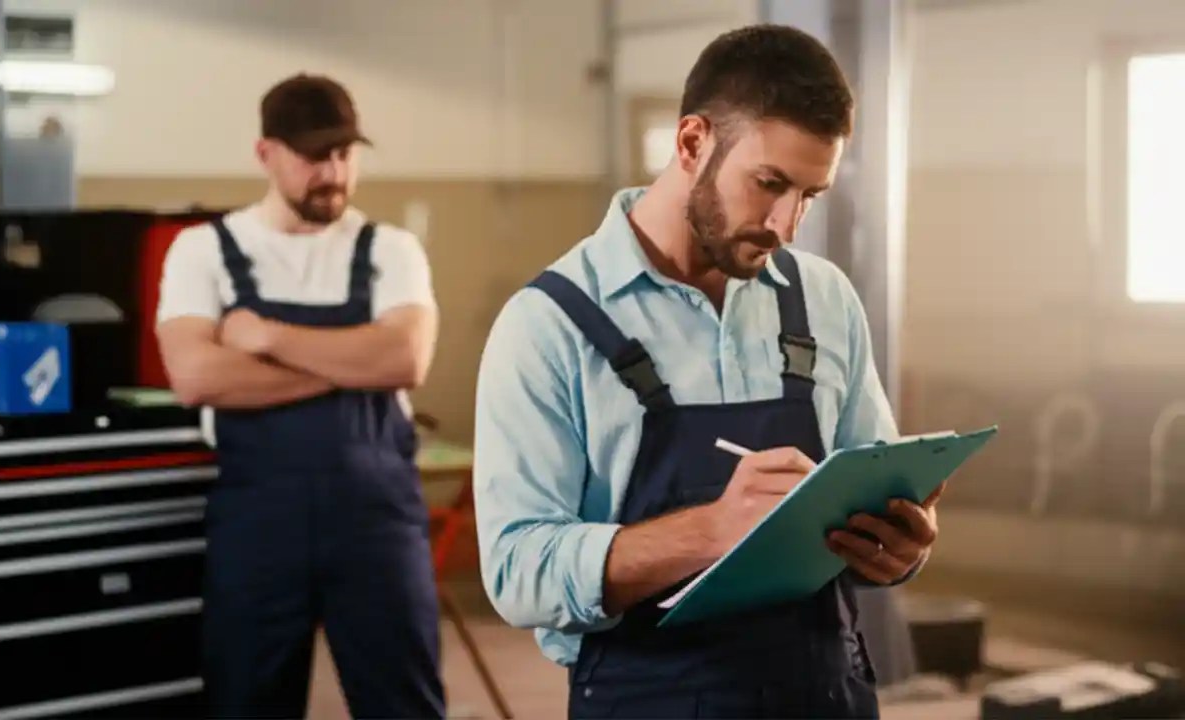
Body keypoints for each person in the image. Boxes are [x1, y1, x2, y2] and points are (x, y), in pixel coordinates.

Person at [473, 25, 942, 719]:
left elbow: (874, 481)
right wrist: (712, 531)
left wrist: (901, 546)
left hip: (825, 690)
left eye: (811, 195)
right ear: (692, 142)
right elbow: (517, 573)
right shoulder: (548, 325)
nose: (787, 224)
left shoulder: (824, 298)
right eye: (770, 184)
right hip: (649, 699)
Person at [156, 73, 444, 719]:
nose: (333, 171)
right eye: (314, 155)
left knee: (405, 705)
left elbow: (405, 358)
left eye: (344, 153)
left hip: (377, 521)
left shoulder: (390, 250)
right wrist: (351, 361)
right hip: (259, 521)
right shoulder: (203, 250)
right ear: (267, 154)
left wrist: (267, 337)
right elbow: (196, 377)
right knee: (247, 703)